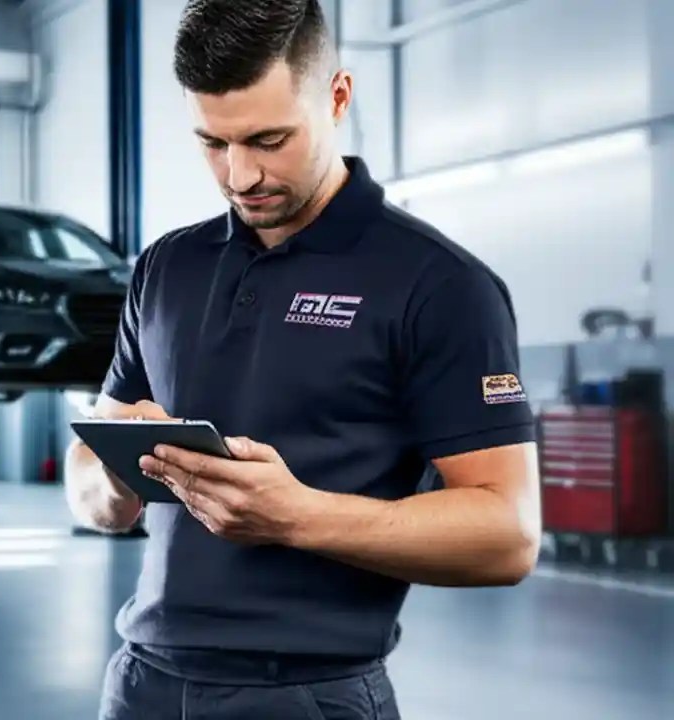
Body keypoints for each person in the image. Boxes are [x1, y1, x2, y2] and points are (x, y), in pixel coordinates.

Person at [64, 1, 542, 718]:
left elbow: (508, 536)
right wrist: (115, 482)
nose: (240, 175)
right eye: (214, 144)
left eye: (268, 139)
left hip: (308, 695)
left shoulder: (440, 285)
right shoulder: (165, 268)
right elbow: (89, 484)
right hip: (139, 684)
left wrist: (297, 517)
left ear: (337, 97)